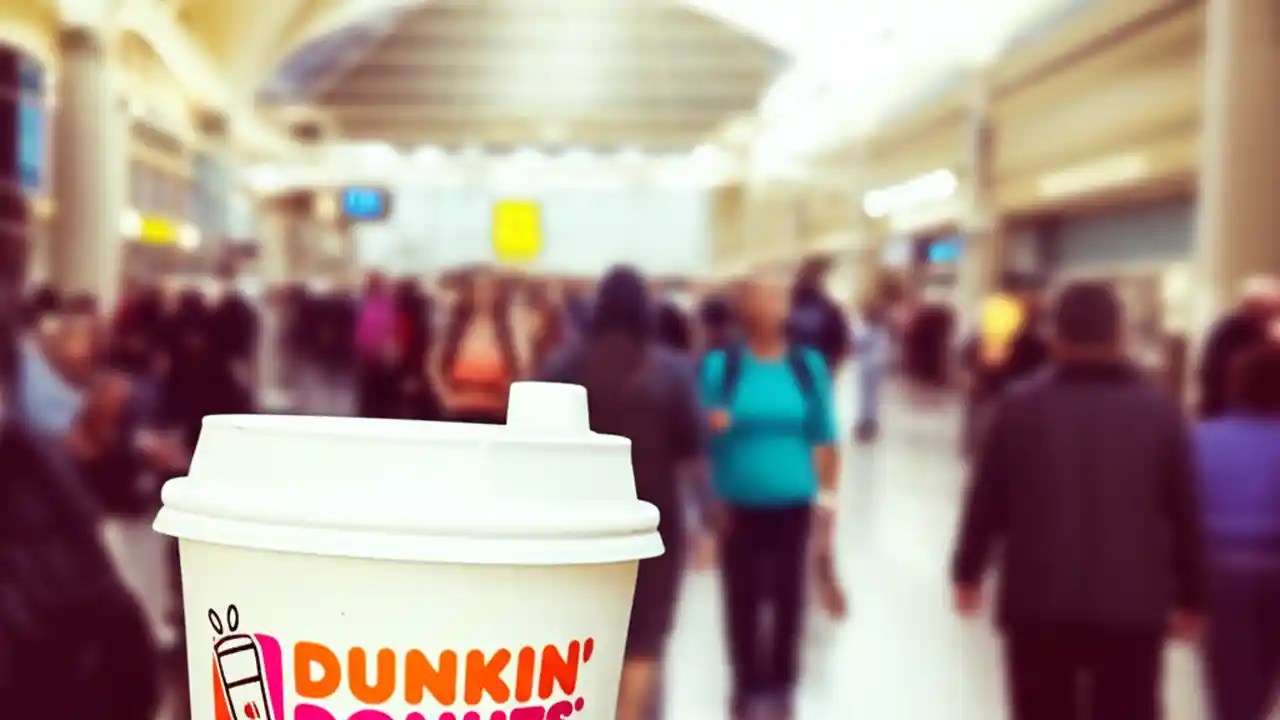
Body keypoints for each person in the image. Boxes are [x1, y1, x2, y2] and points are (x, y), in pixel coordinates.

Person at [951, 281, 1207, 720]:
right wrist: (1193, 596)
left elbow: (987, 498)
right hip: (1133, 607)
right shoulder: (1159, 413)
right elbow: (1185, 510)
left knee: (1042, 709)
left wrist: (967, 572)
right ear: (1120, 336)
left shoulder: (1018, 408)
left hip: (1037, 603)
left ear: (1055, 336)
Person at [541, 267, 705, 720]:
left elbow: (535, 449)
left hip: (578, 524)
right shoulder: (670, 372)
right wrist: (708, 522)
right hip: (654, 523)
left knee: (583, 631)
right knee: (644, 639)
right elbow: (693, 454)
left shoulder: (564, 369)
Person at [701, 272, 840, 720]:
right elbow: (702, 441)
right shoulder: (722, 368)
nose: (773, 304)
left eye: (779, 295)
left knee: (787, 595)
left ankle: (782, 681)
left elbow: (825, 436)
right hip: (735, 503)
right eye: (762, 296)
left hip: (792, 501)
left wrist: (828, 500)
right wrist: (708, 504)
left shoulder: (807, 367)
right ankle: (746, 681)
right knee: (740, 595)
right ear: (744, 309)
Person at [1194, 346, 1280, 720]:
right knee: (1267, 673)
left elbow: (1182, 513)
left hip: (1219, 570)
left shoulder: (1202, 439)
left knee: (1230, 682)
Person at [433, 269, 521, 424]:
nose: (484, 295)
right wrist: (446, 397)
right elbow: (433, 365)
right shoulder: (456, 327)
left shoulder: (506, 330)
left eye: (489, 289)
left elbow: (520, 369)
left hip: (495, 413)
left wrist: (508, 398)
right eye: (479, 289)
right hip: (459, 410)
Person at [1199, 275, 1280, 419]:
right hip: (1227, 409)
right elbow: (1214, 374)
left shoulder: (1268, 330)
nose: (1274, 313)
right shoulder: (1227, 331)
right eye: (1270, 307)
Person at [787, 260, 852, 374]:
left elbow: (841, 343)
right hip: (808, 366)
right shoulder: (828, 308)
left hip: (813, 366)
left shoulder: (828, 308)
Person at [853, 300, 892, 443]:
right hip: (877, 367)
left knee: (865, 396)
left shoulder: (863, 329)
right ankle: (870, 423)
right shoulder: (882, 332)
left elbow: (855, 345)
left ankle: (865, 424)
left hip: (866, 368)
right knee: (873, 396)